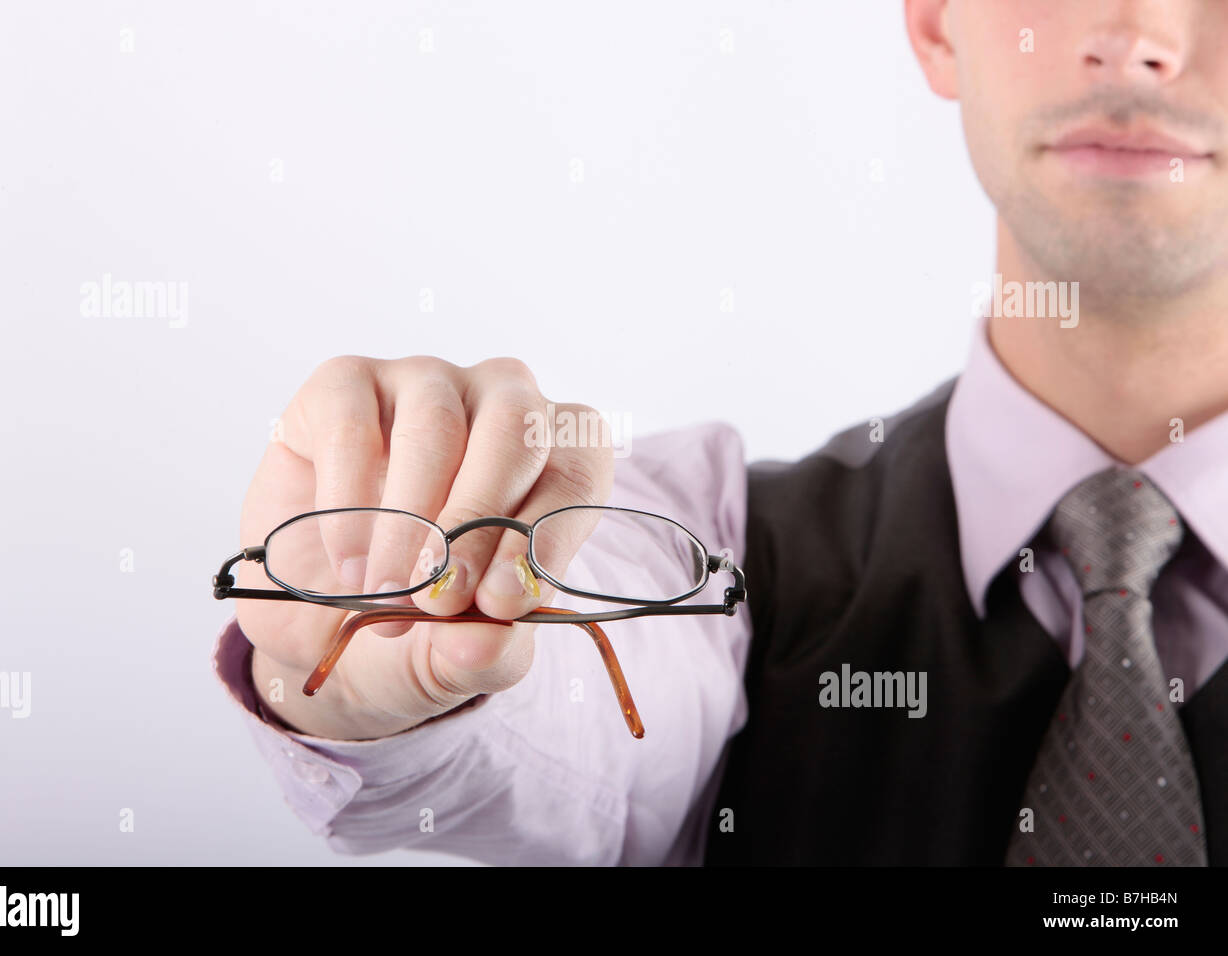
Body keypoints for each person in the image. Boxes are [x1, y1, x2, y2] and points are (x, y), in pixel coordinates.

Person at [213, 0, 1228, 865]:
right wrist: (390, 592)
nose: (1137, 34)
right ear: (932, 22)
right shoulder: (710, 556)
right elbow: (570, 714)